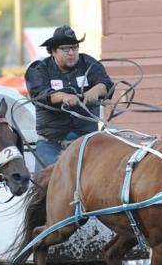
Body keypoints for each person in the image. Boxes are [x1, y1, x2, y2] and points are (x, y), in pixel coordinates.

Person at [25, 26, 114, 171]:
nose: (71, 53)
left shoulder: (89, 63)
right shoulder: (39, 69)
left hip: (86, 141)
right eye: (65, 49)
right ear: (52, 51)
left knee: (102, 176)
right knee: (44, 181)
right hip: (51, 142)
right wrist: (64, 97)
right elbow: (40, 94)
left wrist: (96, 90)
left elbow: (107, 84)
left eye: (74, 48)